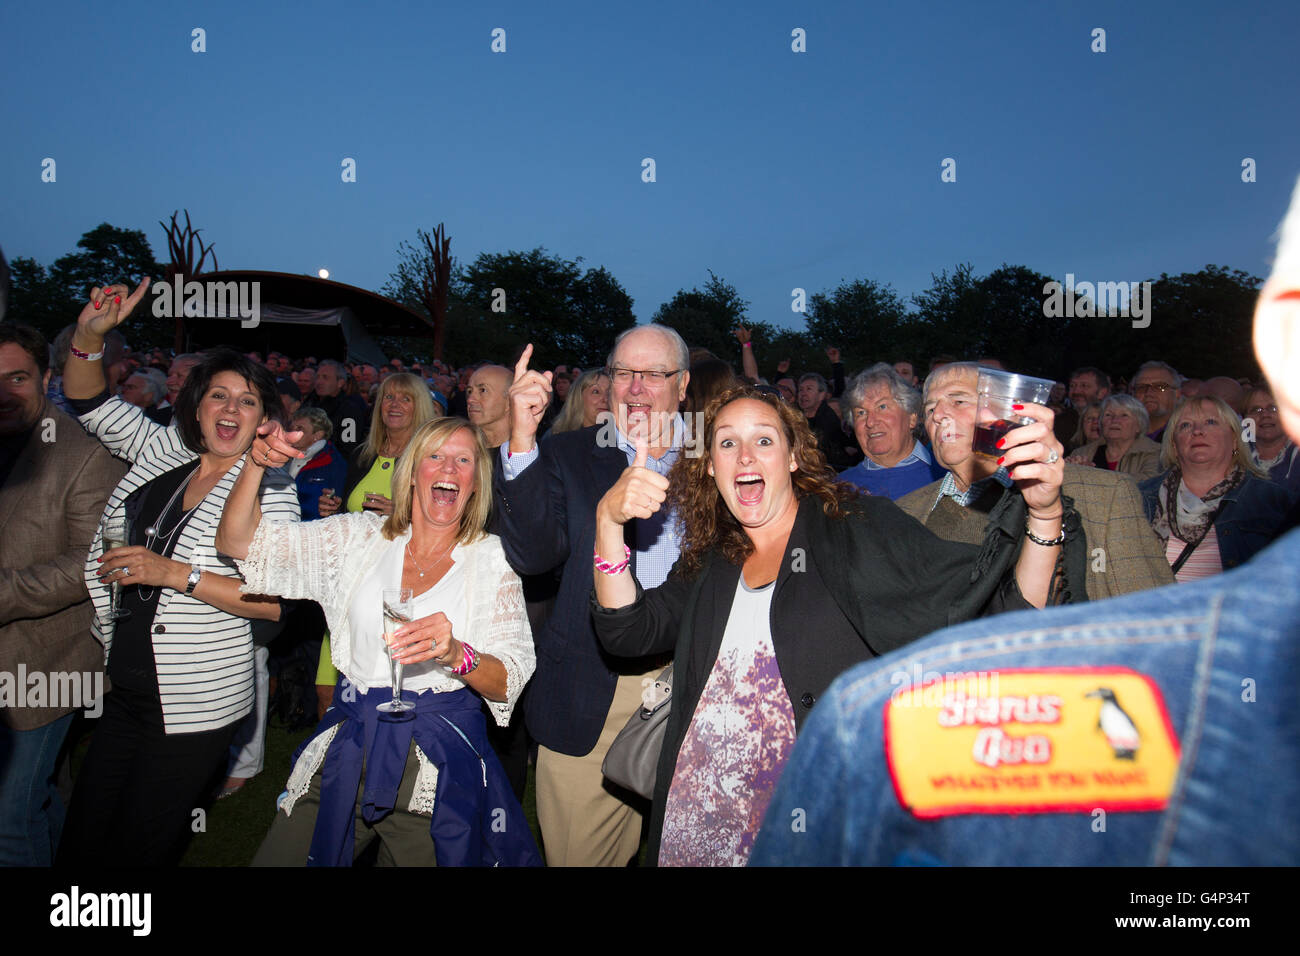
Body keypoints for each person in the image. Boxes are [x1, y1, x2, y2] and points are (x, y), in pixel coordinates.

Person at [748, 173, 1300, 869]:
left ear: (1001, 412)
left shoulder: (1096, 495)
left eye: (973, 399)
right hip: (942, 776)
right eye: (942, 401)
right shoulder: (899, 514)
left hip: (1081, 772)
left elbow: (1158, 631)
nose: (958, 412)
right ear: (924, 422)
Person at [590, 384, 1079, 865]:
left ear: (794, 458)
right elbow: (627, 632)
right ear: (711, 467)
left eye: (763, 440)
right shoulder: (712, 559)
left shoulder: (856, 528)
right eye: (726, 443)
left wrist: (1044, 511)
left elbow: (996, 610)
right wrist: (608, 524)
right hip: (700, 816)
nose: (744, 457)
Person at [216, 417, 540, 866]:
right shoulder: (358, 537)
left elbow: (509, 681)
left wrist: (455, 653)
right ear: (412, 473)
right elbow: (237, 542)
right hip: (350, 741)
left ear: (474, 483)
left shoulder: (492, 560)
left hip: (434, 765)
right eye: (435, 456)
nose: (449, 468)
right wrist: (254, 465)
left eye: (463, 460)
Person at [54, 279, 299, 867]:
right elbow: (89, 402)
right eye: (219, 395)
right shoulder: (167, 449)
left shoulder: (274, 490)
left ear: (264, 417)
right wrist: (89, 335)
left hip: (195, 699)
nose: (231, 409)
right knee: (83, 838)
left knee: (140, 848)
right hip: (128, 680)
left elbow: (272, 606)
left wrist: (174, 573)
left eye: (247, 400)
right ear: (197, 405)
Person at [493, 327, 691, 867]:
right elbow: (531, 557)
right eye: (624, 372)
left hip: (698, 683)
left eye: (654, 374)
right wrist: (521, 438)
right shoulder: (566, 453)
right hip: (594, 688)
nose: (636, 387)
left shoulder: (717, 460)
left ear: (683, 384)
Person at [0, 323, 126, 866]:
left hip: (47, 661)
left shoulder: (82, 453)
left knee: (8, 814)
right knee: (35, 798)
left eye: (18, 378)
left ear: (46, 378)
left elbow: (92, 561)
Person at [897, 362, 1173, 601]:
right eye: (930, 407)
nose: (938, 415)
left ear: (1006, 407)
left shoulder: (1105, 496)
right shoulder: (906, 513)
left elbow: (1153, 613)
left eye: (958, 401)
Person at [315, 372, 438, 716]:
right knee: (327, 688)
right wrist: (333, 511)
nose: (394, 405)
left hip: (399, 589)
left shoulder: (429, 459)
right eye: (387, 397)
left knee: (383, 688)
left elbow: (446, 524)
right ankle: (333, 763)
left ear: (420, 407)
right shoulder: (362, 455)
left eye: (405, 398)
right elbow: (351, 517)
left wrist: (402, 515)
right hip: (351, 586)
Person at [1139, 395, 1293, 580]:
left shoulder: (1275, 502)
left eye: (1211, 422)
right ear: (1174, 444)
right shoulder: (1138, 498)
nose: (1197, 431)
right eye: (1185, 425)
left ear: (1235, 439)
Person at [836, 364, 945, 500]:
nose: (870, 421)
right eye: (861, 413)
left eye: (882, 407)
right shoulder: (839, 488)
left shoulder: (948, 477)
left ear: (912, 418)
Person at [1066, 393, 1162, 480]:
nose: (1114, 420)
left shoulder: (1156, 452)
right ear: (1101, 423)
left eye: (1124, 415)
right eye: (1108, 415)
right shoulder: (1081, 453)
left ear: (1139, 425)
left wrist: (1092, 474)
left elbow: (1149, 483)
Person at [304, 359, 368, 458]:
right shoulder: (309, 402)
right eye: (317, 377)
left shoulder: (349, 410)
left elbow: (348, 447)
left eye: (325, 378)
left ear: (340, 383)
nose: (319, 382)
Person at [1246, 384, 1300, 493]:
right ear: (1245, 419)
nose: (1265, 415)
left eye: (1273, 408)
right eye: (1256, 410)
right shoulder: (1232, 455)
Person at [796, 372, 855, 469]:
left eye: (809, 389)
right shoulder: (796, 418)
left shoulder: (828, 420)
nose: (803, 394)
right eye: (800, 390)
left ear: (821, 395)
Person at [1130, 360, 1183, 441]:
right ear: (1132, 394)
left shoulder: (1186, 435)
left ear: (1177, 393)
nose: (1148, 393)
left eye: (1159, 386)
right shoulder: (1121, 436)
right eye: (1141, 387)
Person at [547, 368, 611, 435]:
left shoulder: (619, 440)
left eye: (610, 393)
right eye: (596, 392)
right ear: (578, 397)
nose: (606, 399)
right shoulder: (557, 440)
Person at [466, 364, 513, 449]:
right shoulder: (459, 450)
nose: (470, 399)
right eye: (469, 391)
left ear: (509, 401)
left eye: (483, 390)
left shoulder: (531, 456)